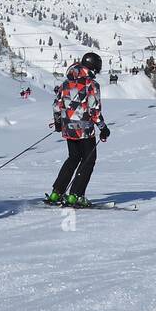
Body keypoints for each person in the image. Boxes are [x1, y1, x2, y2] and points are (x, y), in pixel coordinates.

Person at [45, 51, 110, 208]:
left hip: (69, 129)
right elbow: (94, 110)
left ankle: (56, 193)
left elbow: (56, 105)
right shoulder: (91, 85)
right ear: (94, 67)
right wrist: (103, 127)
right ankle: (76, 195)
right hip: (85, 129)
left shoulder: (65, 84)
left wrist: (59, 123)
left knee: (73, 158)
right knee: (88, 160)